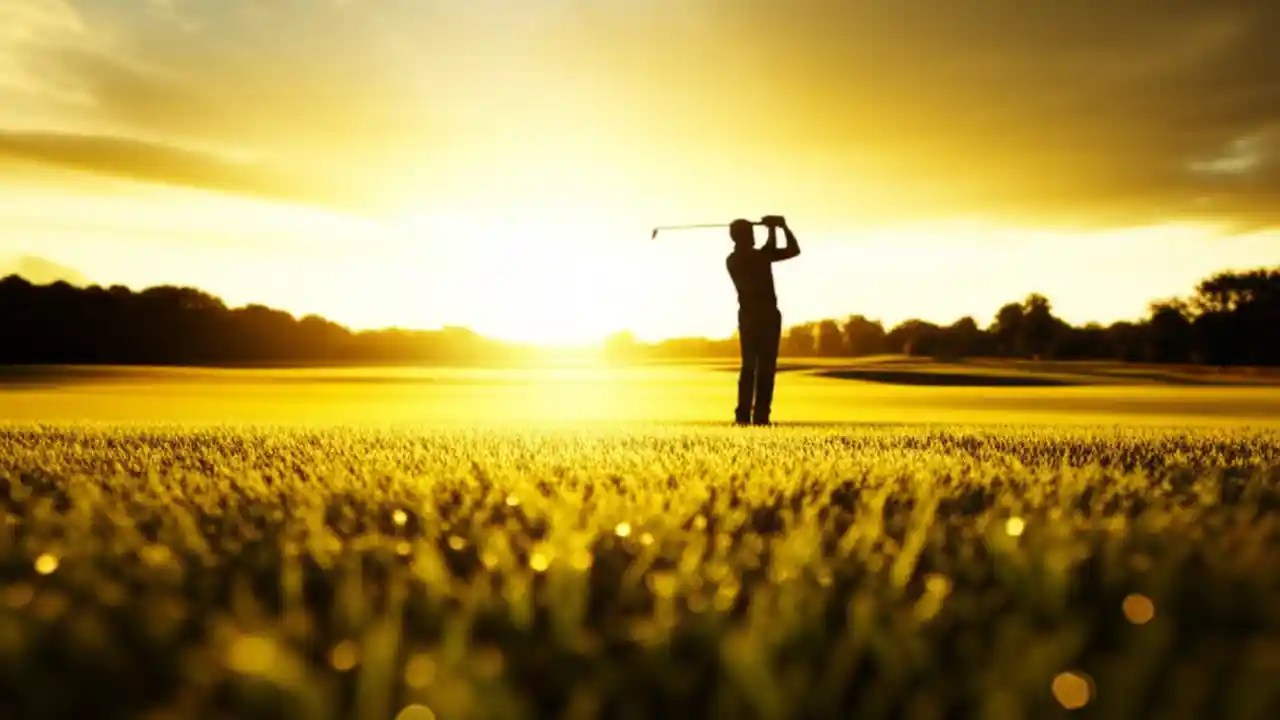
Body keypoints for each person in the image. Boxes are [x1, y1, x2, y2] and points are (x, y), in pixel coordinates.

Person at [726, 215, 800, 425]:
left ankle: (752, 416)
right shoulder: (740, 259)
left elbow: (793, 250)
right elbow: (772, 252)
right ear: (742, 237)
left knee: (758, 367)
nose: (753, 237)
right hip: (760, 316)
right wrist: (776, 228)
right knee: (757, 367)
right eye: (750, 233)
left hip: (756, 316)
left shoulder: (740, 258)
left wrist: (779, 227)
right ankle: (753, 416)